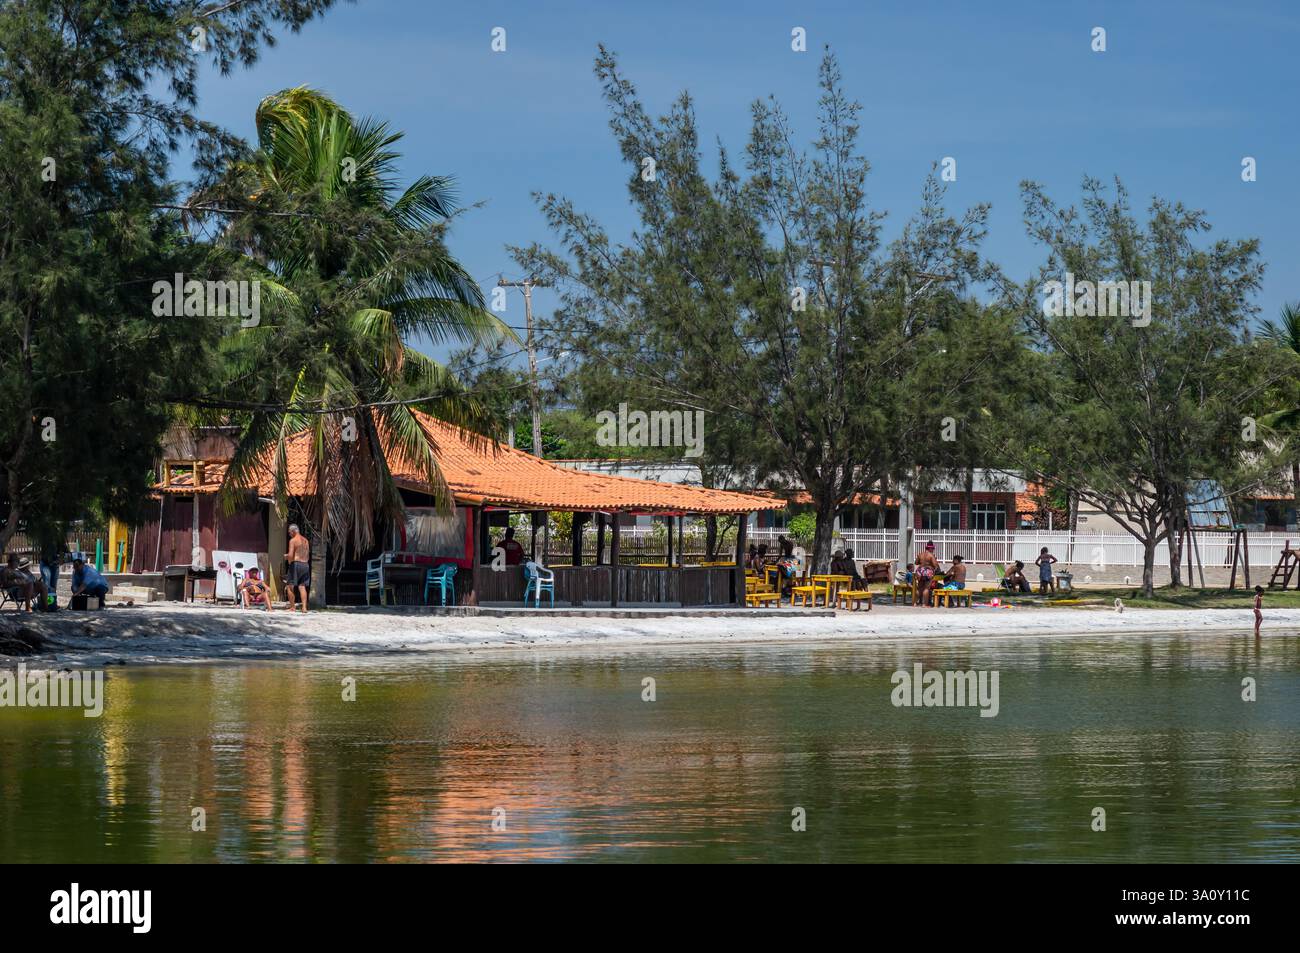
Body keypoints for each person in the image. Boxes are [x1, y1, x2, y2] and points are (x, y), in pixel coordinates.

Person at [284, 523, 311, 613]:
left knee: (289, 586)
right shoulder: (305, 540)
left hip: (296, 564)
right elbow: (307, 554)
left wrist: (286, 556)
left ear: (293, 531)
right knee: (302, 586)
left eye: (289, 532)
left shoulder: (293, 540)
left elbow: (291, 555)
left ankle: (292, 607)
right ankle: (304, 608)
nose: (289, 534)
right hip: (305, 565)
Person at [914, 541, 940, 607]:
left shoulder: (920, 554)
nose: (933, 550)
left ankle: (915, 603)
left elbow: (916, 562)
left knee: (919, 588)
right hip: (928, 571)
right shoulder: (931, 555)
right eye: (933, 549)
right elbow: (935, 565)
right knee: (926, 588)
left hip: (920, 571)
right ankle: (924, 604)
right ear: (930, 548)